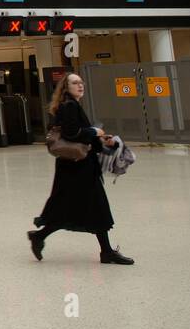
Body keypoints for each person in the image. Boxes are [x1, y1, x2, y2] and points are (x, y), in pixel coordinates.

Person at [28, 73, 133, 265]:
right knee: (95, 207)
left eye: (81, 82)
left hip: (75, 167)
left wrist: (103, 142)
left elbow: (78, 135)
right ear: (66, 87)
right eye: (75, 83)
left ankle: (40, 236)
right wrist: (95, 132)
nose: (80, 85)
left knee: (70, 208)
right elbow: (72, 133)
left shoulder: (72, 105)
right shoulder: (69, 106)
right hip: (78, 168)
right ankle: (106, 252)